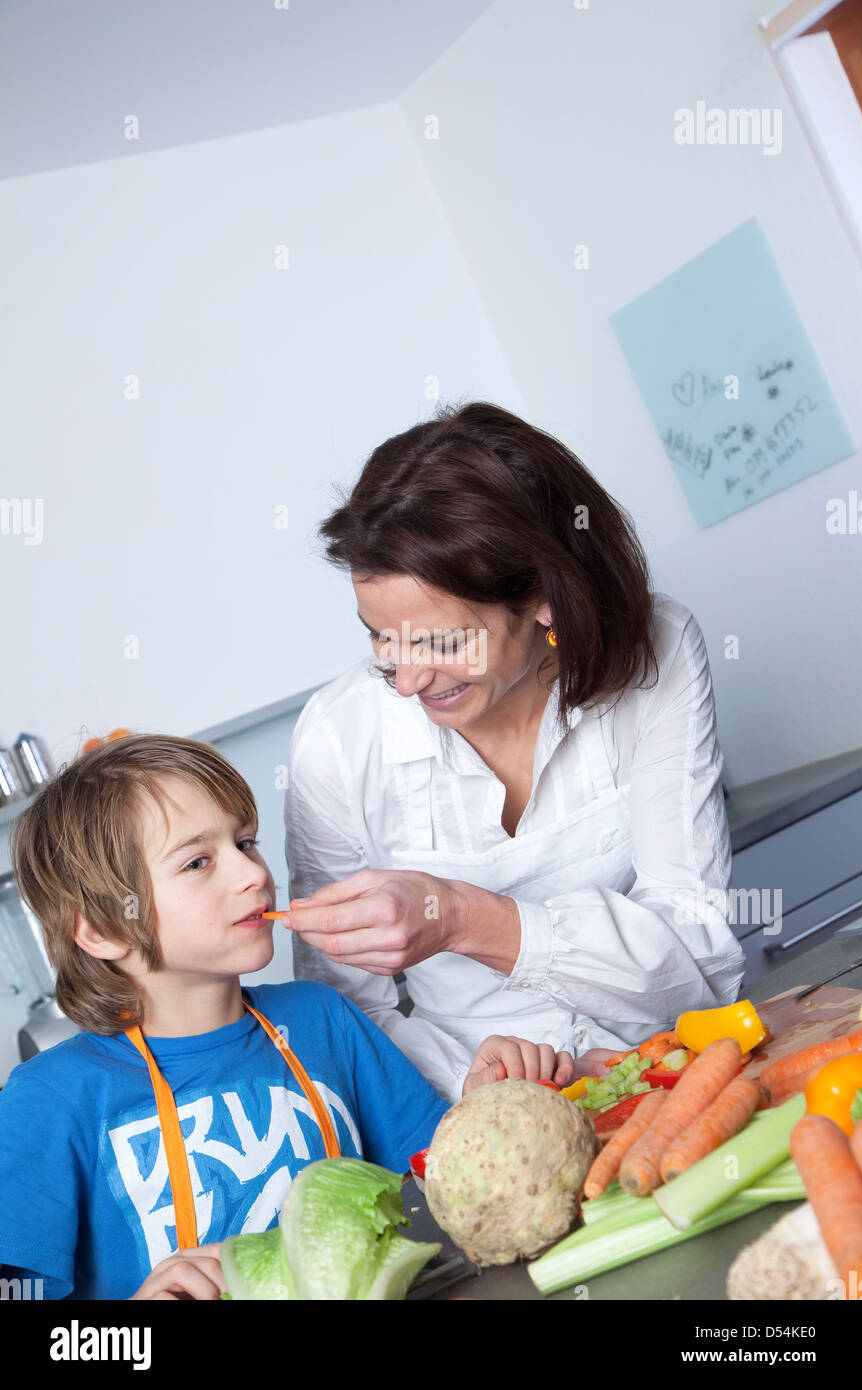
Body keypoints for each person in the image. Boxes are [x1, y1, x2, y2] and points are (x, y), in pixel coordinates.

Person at [283, 400, 748, 1104]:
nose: (407, 680)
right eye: (380, 637)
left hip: (672, 1072)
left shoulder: (659, 650)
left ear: (543, 597)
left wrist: (461, 915)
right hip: (468, 1109)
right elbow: (350, 1022)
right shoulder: (338, 743)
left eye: (442, 643)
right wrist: (483, 1095)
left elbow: (702, 958)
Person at [0, 734, 571, 1301]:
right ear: (102, 929)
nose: (252, 874)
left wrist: (485, 1107)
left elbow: (435, 1196)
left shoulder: (322, 1017)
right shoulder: (47, 1100)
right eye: (198, 861)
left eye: (245, 843)